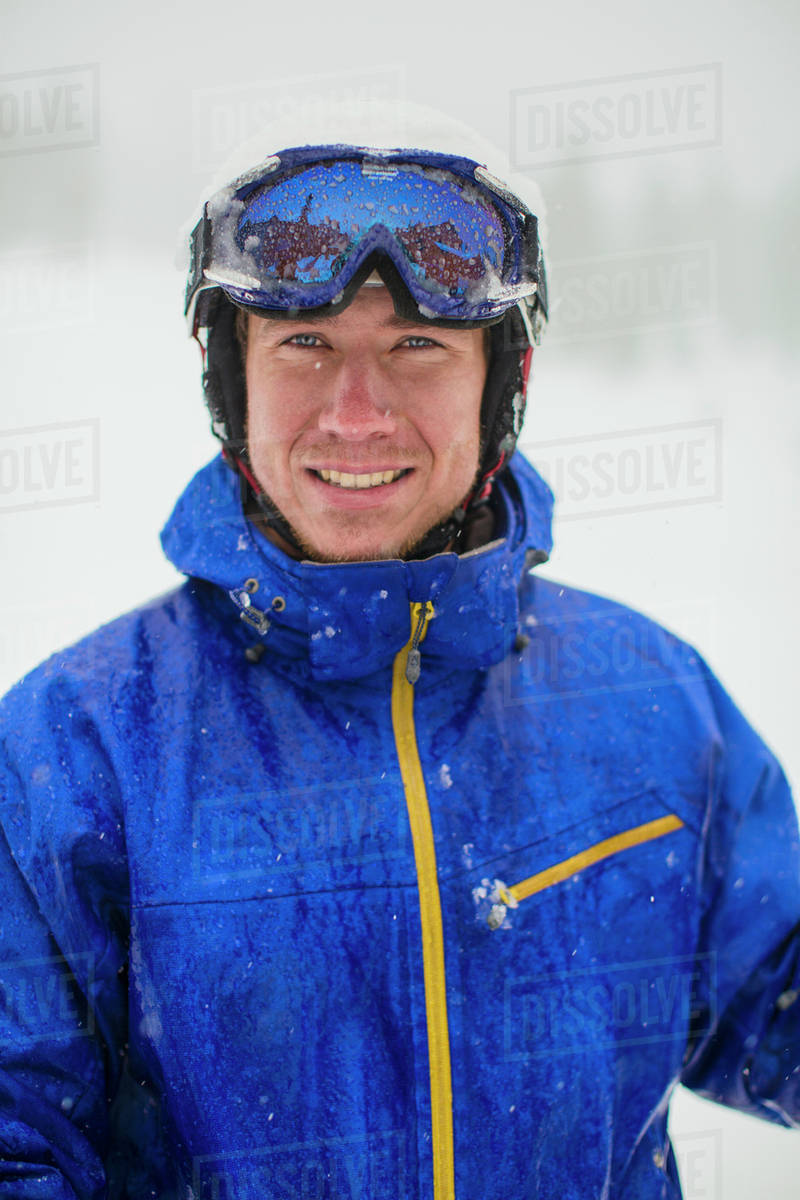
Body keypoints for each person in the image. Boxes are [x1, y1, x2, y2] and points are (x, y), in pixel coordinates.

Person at [0, 102, 798, 1200]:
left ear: (501, 384)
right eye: (305, 345)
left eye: (417, 346)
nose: (357, 414)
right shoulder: (76, 748)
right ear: (230, 384)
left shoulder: (649, 698)